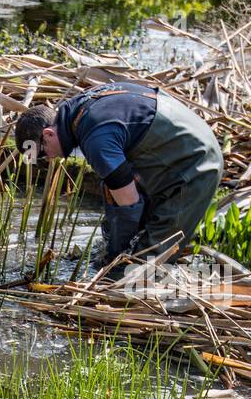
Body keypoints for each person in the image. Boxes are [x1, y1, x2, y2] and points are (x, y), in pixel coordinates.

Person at [13, 80, 224, 272]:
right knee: (117, 201)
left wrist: (114, 255)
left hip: (198, 162)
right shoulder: (81, 106)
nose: (48, 160)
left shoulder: (96, 140)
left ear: (48, 134)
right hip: (180, 140)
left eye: (41, 154)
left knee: (144, 266)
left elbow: (128, 203)